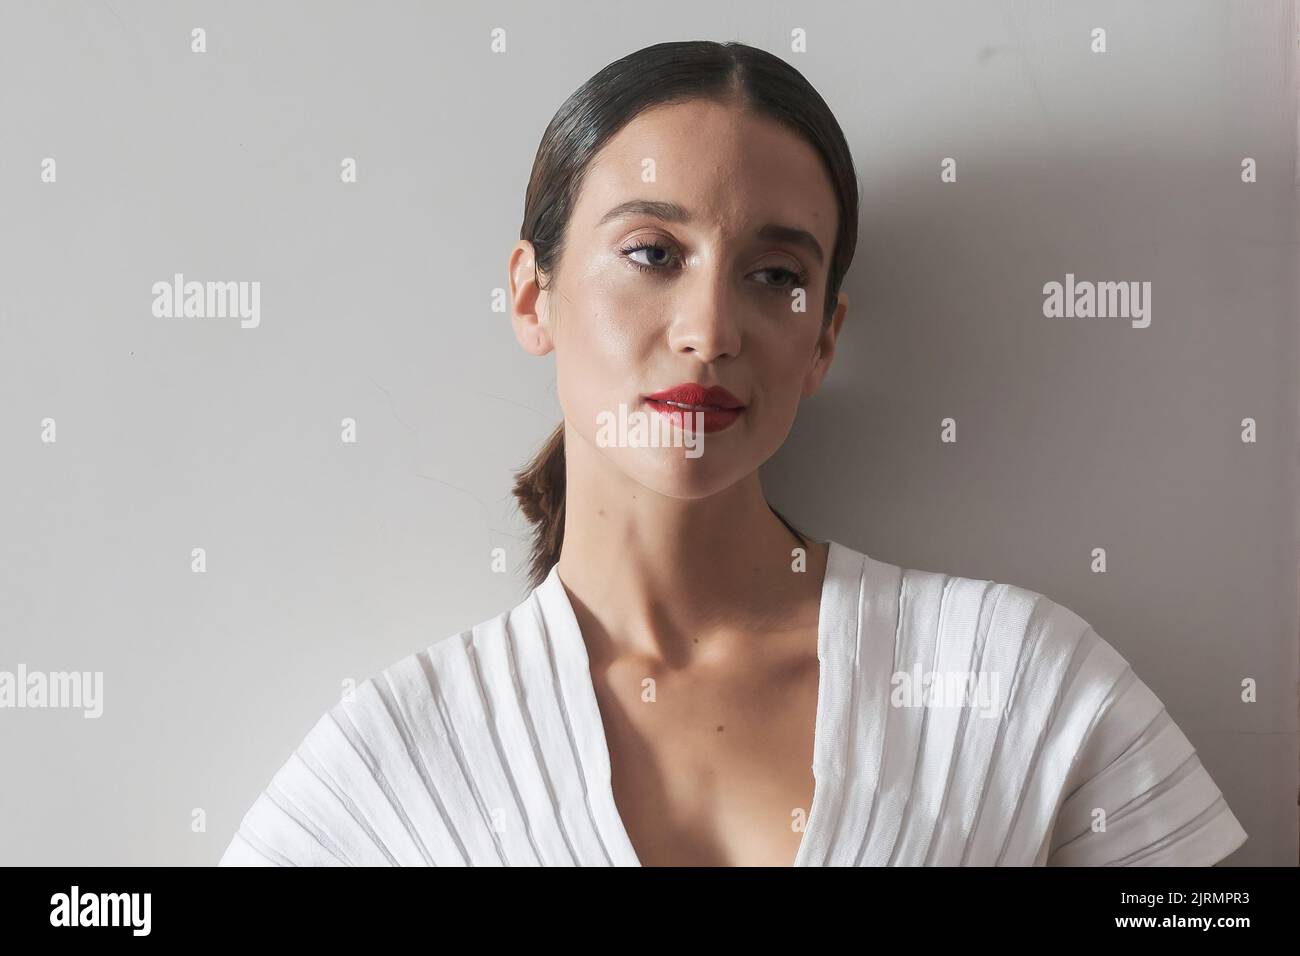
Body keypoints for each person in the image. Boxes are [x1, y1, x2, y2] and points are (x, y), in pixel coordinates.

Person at [218, 39, 1246, 867]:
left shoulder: (1010, 677)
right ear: (534, 294)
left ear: (823, 338)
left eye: (772, 273)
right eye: (652, 254)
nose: (709, 327)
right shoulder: (400, 754)